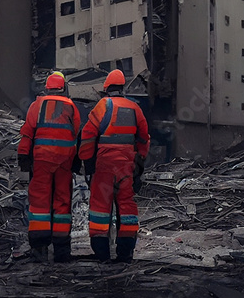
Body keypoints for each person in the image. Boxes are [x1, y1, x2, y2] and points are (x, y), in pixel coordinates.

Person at [79, 69, 150, 263]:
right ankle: (125, 252)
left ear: (107, 88)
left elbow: (87, 135)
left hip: (104, 165)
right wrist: (139, 164)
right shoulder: (134, 108)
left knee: (101, 207)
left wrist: (88, 163)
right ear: (122, 88)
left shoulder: (103, 106)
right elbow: (144, 138)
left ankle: (102, 253)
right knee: (126, 206)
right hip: (126, 166)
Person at [18, 71, 82, 262]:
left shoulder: (36, 105)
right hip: (64, 161)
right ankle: (62, 250)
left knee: (39, 203)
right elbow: (76, 134)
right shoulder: (71, 106)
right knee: (62, 201)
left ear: (46, 88)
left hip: (42, 160)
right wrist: (77, 159)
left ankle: (39, 249)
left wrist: (23, 156)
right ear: (63, 88)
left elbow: (27, 132)